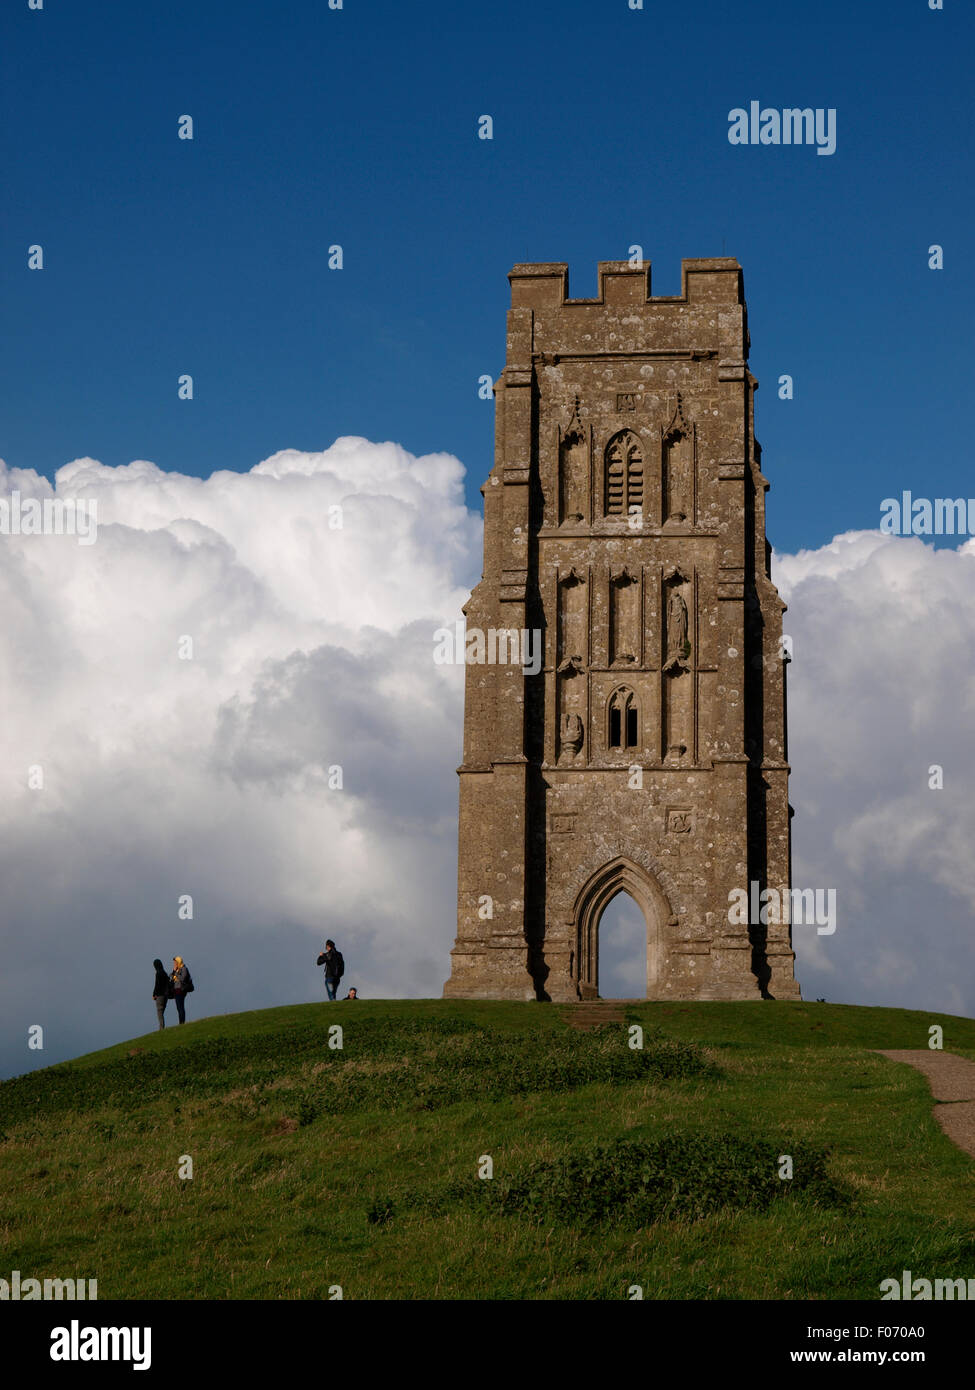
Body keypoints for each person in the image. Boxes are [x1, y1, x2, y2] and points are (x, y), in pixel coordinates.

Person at [152, 958, 172, 1029]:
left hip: (160, 995)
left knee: (159, 1012)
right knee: (162, 1011)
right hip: (166, 996)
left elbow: (157, 985)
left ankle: (161, 1027)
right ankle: (161, 1026)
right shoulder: (164, 973)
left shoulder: (158, 973)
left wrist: (154, 994)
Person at [171, 955, 191, 1024]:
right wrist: (174, 971)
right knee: (178, 1008)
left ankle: (182, 1022)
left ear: (178, 962)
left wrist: (176, 973)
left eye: (175, 962)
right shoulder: (177, 969)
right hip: (176, 991)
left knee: (180, 1007)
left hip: (181, 990)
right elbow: (170, 979)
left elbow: (182, 978)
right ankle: (181, 1022)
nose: (174, 964)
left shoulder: (184, 968)